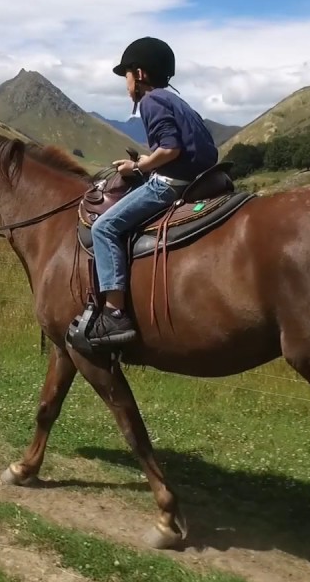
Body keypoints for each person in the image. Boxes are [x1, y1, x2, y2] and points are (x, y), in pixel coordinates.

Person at [84, 36, 219, 351]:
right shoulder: (175, 100)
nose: (126, 83)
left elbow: (170, 149)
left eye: (126, 75)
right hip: (198, 177)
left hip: (172, 183)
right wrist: (143, 162)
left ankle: (114, 313)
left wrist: (139, 168)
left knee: (104, 227)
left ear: (140, 74)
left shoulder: (150, 101)